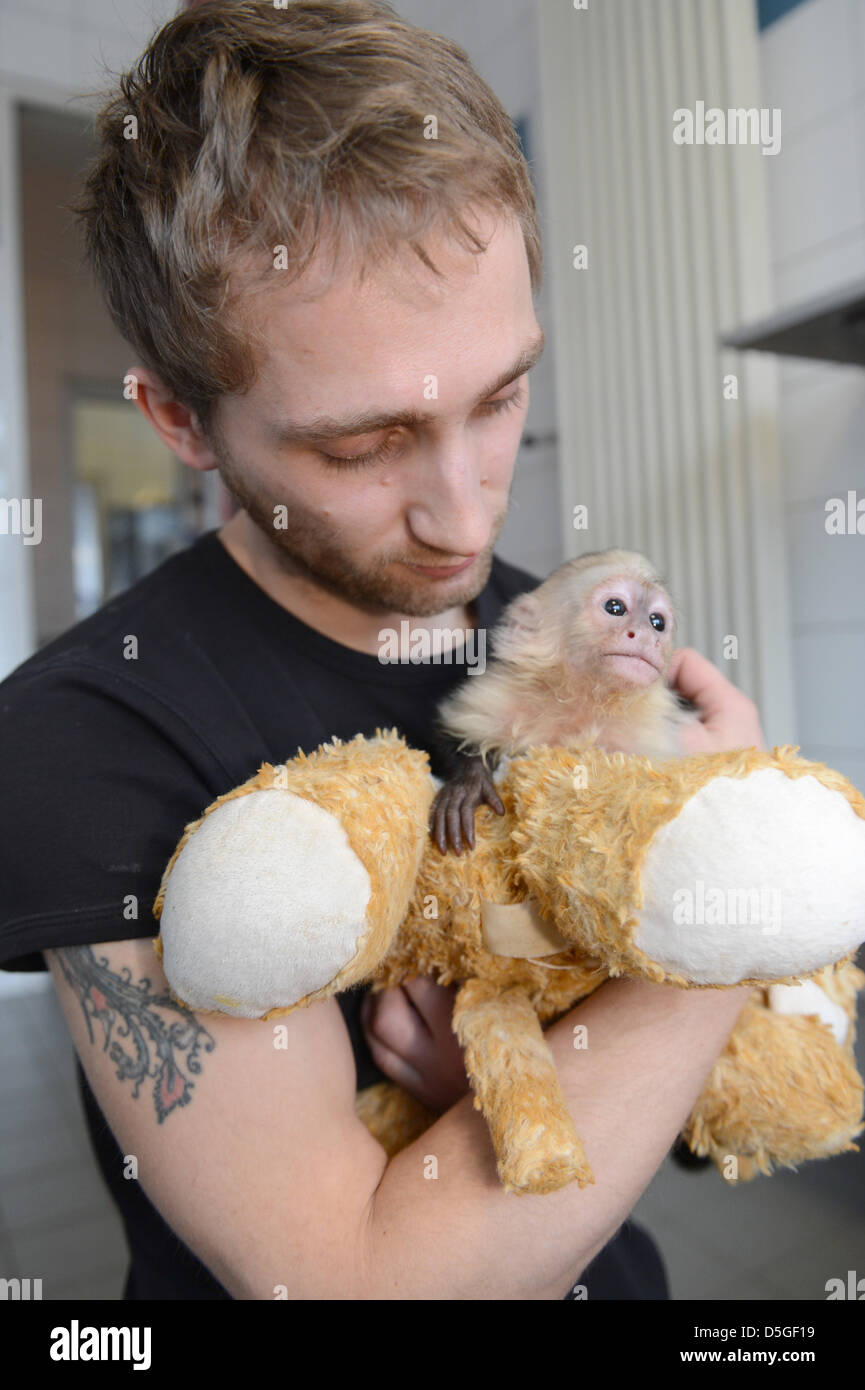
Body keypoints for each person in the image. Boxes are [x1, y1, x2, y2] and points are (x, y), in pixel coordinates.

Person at [0, 0, 761, 1301]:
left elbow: (714, 1128)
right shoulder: (89, 733)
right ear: (179, 419)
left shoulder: (568, 649)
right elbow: (352, 1280)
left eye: (502, 397)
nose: (466, 512)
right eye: (358, 448)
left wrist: (552, 1062)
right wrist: (722, 894)